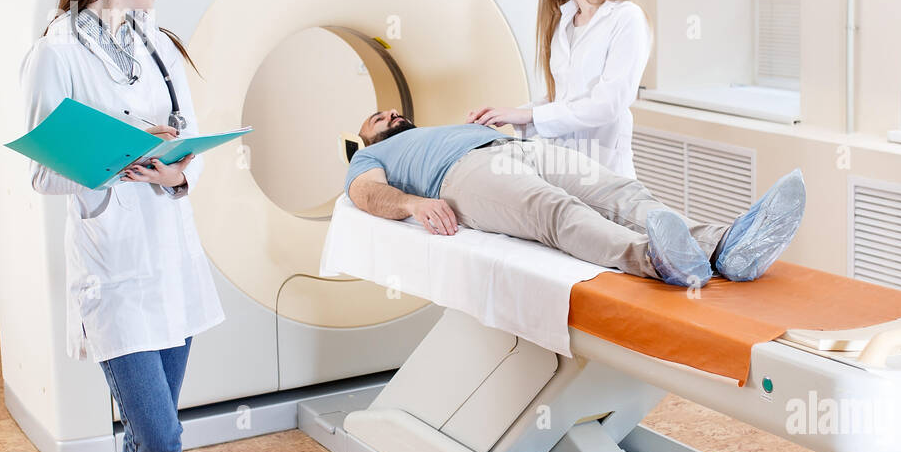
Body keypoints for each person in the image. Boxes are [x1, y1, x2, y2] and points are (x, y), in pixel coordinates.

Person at [19, 0, 224, 452]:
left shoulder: (158, 44)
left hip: (172, 258)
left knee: (148, 429)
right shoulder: (54, 54)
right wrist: (118, 151)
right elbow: (43, 171)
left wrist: (177, 171)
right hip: (113, 269)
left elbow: (192, 141)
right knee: (159, 435)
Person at [345, 109, 806, 287]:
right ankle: (656, 259)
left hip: (517, 148)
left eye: (392, 111)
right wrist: (412, 204)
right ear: (366, 139)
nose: (391, 114)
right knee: (554, 209)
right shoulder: (370, 156)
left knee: (618, 191)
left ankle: (726, 246)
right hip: (461, 174)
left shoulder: (437, 127)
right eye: (377, 118)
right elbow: (366, 193)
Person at [466, 0, 651, 178]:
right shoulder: (564, 24)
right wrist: (509, 114)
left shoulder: (625, 17)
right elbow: (562, 98)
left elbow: (608, 104)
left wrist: (528, 115)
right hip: (563, 168)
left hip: (606, 171)